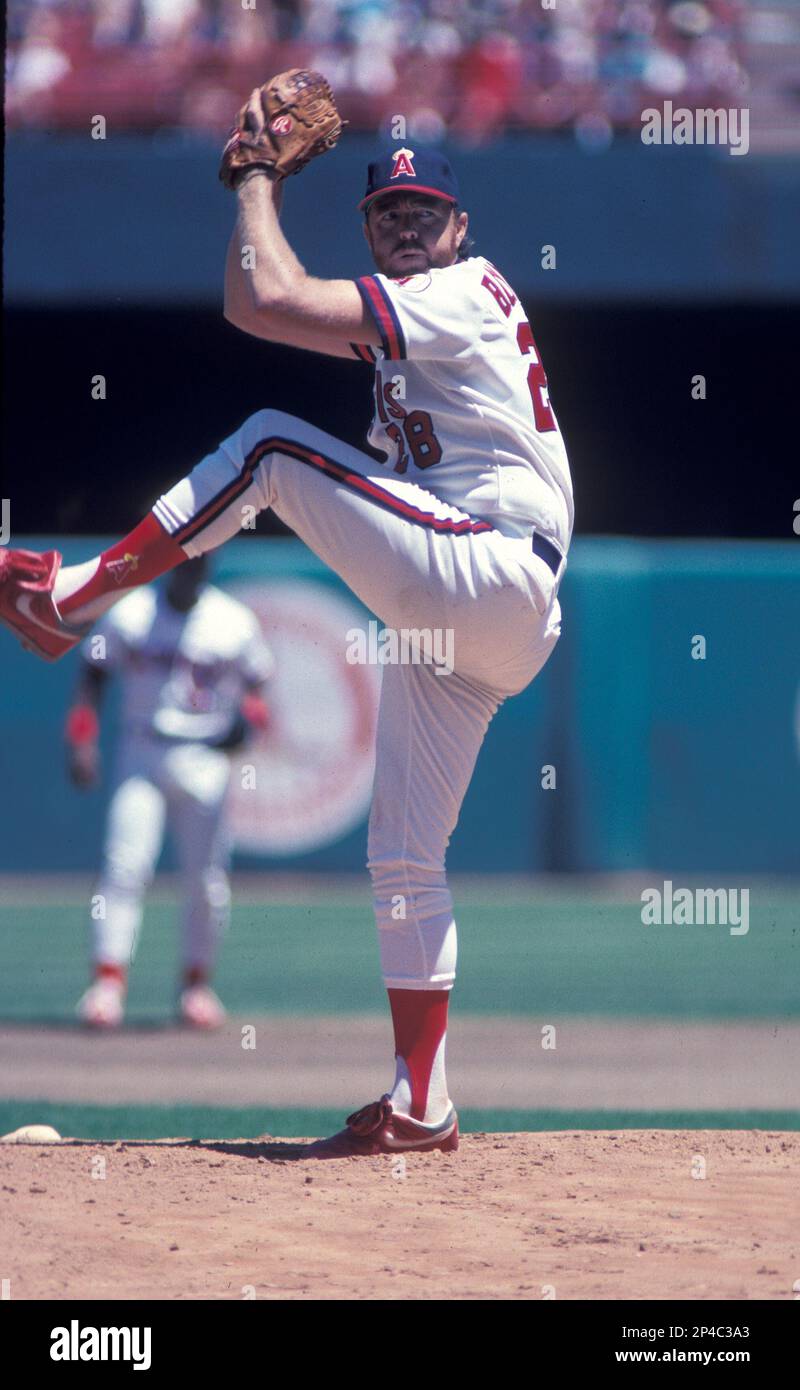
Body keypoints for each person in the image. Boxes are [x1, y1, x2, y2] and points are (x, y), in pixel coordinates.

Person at [0, 120, 574, 1156]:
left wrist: (258, 177)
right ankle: (421, 1101)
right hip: (480, 612)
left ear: (459, 228)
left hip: (490, 561)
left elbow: (265, 301)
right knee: (401, 857)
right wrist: (247, 195)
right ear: (371, 227)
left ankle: (71, 594)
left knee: (265, 440)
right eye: (388, 213)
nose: (407, 224)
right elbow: (246, 298)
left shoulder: (459, 291)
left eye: (425, 212)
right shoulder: (409, 329)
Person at [66, 555, 273, 1030]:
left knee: (207, 880)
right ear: (171, 565)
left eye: (198, 563)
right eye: (183, 562)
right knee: (124, 867)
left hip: (206, 755)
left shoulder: (233, 621)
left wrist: (252, 725)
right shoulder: (131, 613)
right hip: (143, 747)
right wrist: (81, 737)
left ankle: (195, 987)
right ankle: (107, 985)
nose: (190, 570)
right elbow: (93, 673)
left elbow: (258, 689)